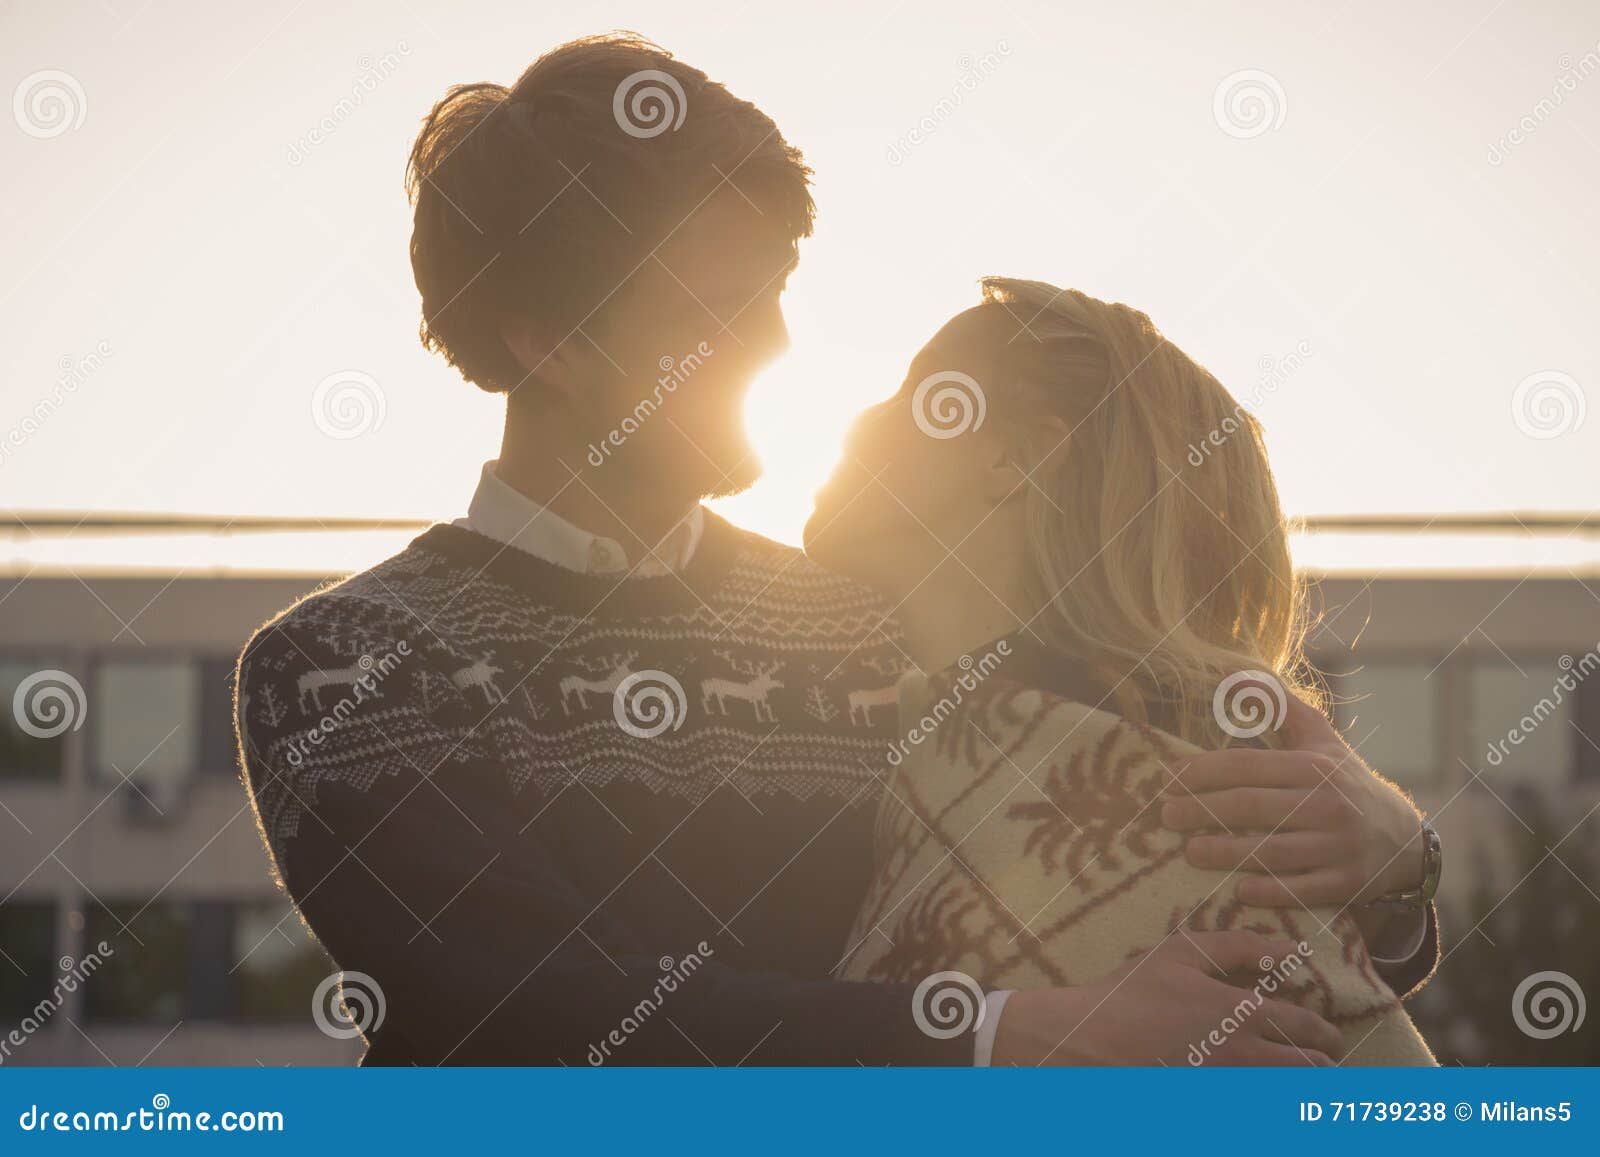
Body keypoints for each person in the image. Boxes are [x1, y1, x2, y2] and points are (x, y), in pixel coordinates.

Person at [235, 34, 1435, 1066]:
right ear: (546, 342)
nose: (774, 346)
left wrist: (1390, 846)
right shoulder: (344, 663)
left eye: (776, 291)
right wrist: (1006, 1033)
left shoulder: (859, 619)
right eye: (713, 312)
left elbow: (1139, 813)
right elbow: (523, 1008)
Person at [805, 278, 1438, 1063]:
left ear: (1013, 459)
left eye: (918, 389)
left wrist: (1407, 872)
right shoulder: (881, 721)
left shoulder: (1175, 824)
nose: (862, 419)